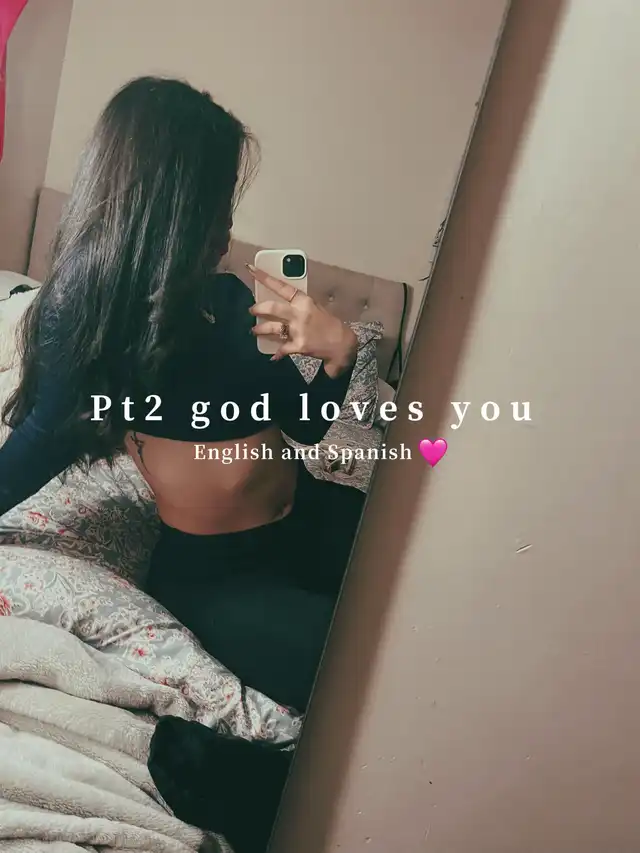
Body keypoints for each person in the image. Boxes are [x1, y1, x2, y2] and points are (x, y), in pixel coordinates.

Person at [0, 76, 370, 713]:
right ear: (169, 209)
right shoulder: (99, 323)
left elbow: (306, 427)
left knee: (431, 590)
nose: (227, 233)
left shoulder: (229, 299)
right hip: (221, 575)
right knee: (361, 676)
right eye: (215, 205)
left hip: (309, 516)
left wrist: (341, 357)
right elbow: (36, 444)